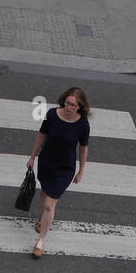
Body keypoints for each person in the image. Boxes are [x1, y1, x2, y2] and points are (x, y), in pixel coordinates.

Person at [25, 87, 91, 258]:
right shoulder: (52, 114)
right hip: (47, 162)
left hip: (65, 168)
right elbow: (41, 136)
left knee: (49, 204)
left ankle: (40, 241)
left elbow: (83, 149)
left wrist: (81, 171)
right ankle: (43, 219)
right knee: (44, 194)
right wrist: (32, 157)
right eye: (67, 103)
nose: (69, 108)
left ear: (80, 107)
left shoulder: (83, 124)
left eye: (73, 105)